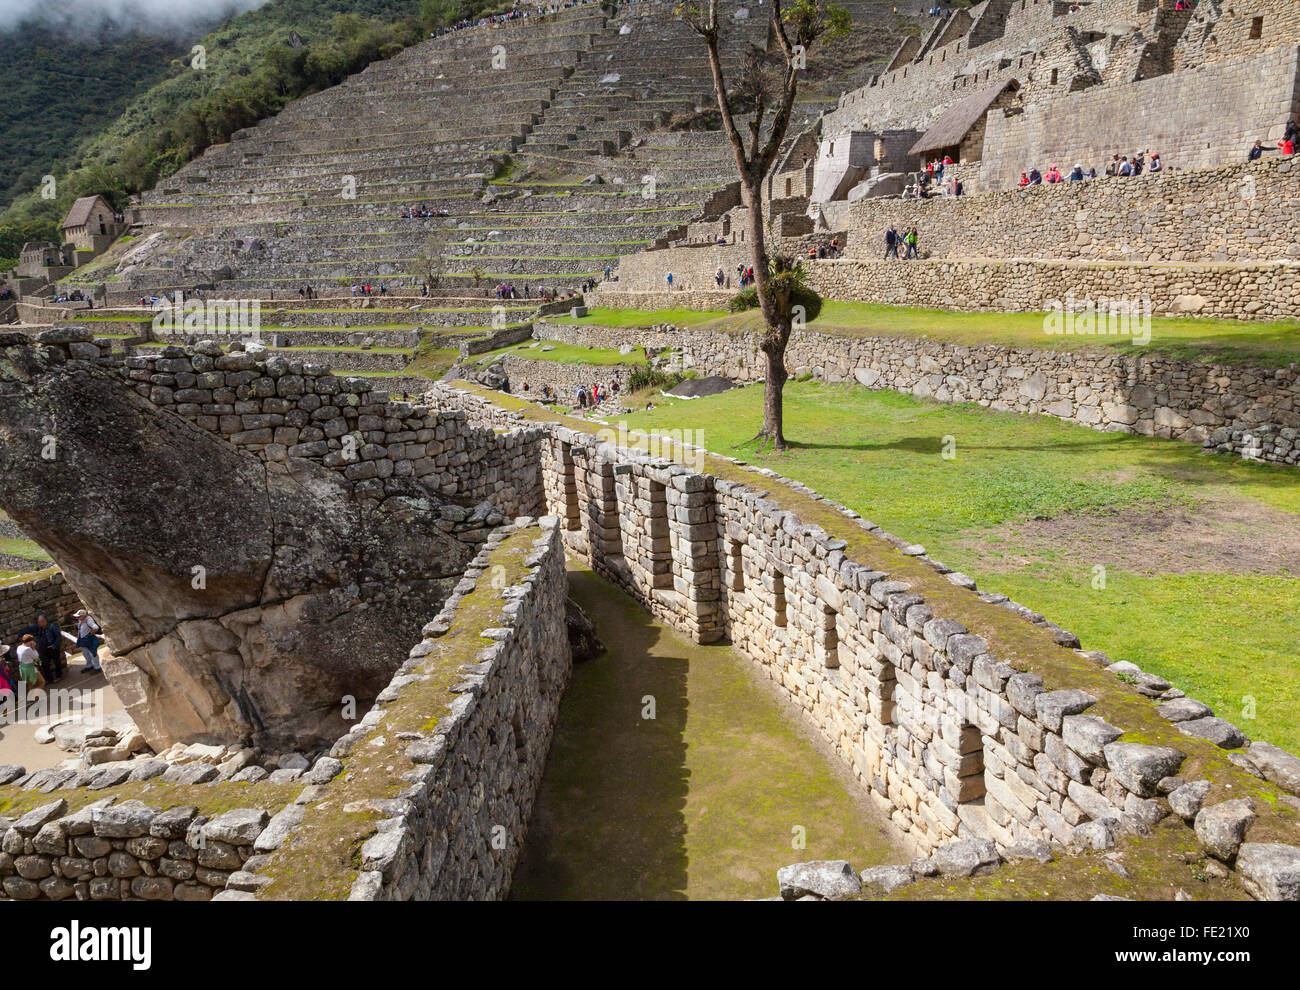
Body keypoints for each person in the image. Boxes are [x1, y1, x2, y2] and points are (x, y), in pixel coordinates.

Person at [21, 614, 64, 684]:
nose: (38, 623)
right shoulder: (39, 627)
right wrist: (19, 634)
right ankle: (49, 679)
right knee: (45, 664)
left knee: (57, 662)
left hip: (53, 649)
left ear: (43, 621)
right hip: (44, 650)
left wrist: (53, 645)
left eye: (39, 622)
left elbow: (58, 637)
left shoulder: (52, 627)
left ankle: (59, 676)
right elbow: (29, 629)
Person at [74, 609, 104, 673]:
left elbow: (95, 628)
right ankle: (89, 665)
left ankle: (97, 667)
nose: (77, 618)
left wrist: (89, 635)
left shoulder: (88, 619)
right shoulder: (81, 620)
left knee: (92, 653)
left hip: (89, 639)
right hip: (83, 639)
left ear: (84, 616)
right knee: (85, 653)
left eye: (79, 616)